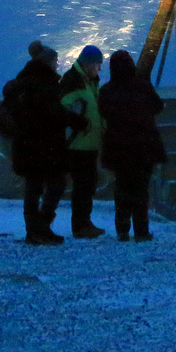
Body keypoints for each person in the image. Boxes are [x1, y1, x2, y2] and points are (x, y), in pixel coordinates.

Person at [2, 41, 81, 245]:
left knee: (33, 186)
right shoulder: (45, 83)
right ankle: (42, 227)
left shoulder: (22, 82)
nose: (57, 65)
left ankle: (34, 230)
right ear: (48, 62)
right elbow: (53, 112)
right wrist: (76, 120)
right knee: (56, 183)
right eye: (55, 61)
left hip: (26, 143)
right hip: (46, 144)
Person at [98, 49, 167, 241]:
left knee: (122, 188)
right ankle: (141, 230)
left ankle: (122, 229)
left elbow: (104, 112)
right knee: (141, 190)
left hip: (118, 147)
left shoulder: (106, 91)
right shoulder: (143, 87)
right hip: (144, 146)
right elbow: (157, 106)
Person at [58, 45, 107, 238]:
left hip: (88, 143)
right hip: (78, 145)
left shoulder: (88, 81)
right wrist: (80, 124)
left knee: (87, 186)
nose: (99, 69)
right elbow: (63, 110)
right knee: (82, 186)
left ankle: (84, 222)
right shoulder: (74, 82)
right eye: (97, 65)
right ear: (87, 64)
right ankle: (81, 226)